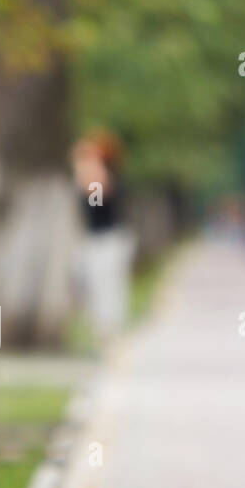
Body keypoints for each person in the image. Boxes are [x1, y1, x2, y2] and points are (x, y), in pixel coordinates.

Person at [71, 129, 134, 344]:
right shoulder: (97, 175)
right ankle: (104, 330)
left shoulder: (100, 177)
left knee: (107, 289)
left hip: (106, 241)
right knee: (92, 287)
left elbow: (95, 199)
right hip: (97, 241)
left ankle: (110, 332)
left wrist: (84, 162)